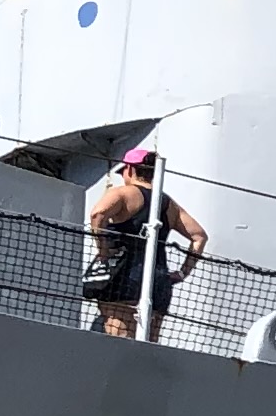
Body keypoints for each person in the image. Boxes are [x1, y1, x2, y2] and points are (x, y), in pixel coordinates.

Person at [81, 146, 206, 340]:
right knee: (149, 343)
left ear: (130, 169)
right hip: (158, 282)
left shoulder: (122, 194)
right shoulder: (168, 205)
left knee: (118, 340)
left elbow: (98, 214)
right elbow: (199, 237)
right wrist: (183, 272)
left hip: (124, 279)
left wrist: (104, 251)